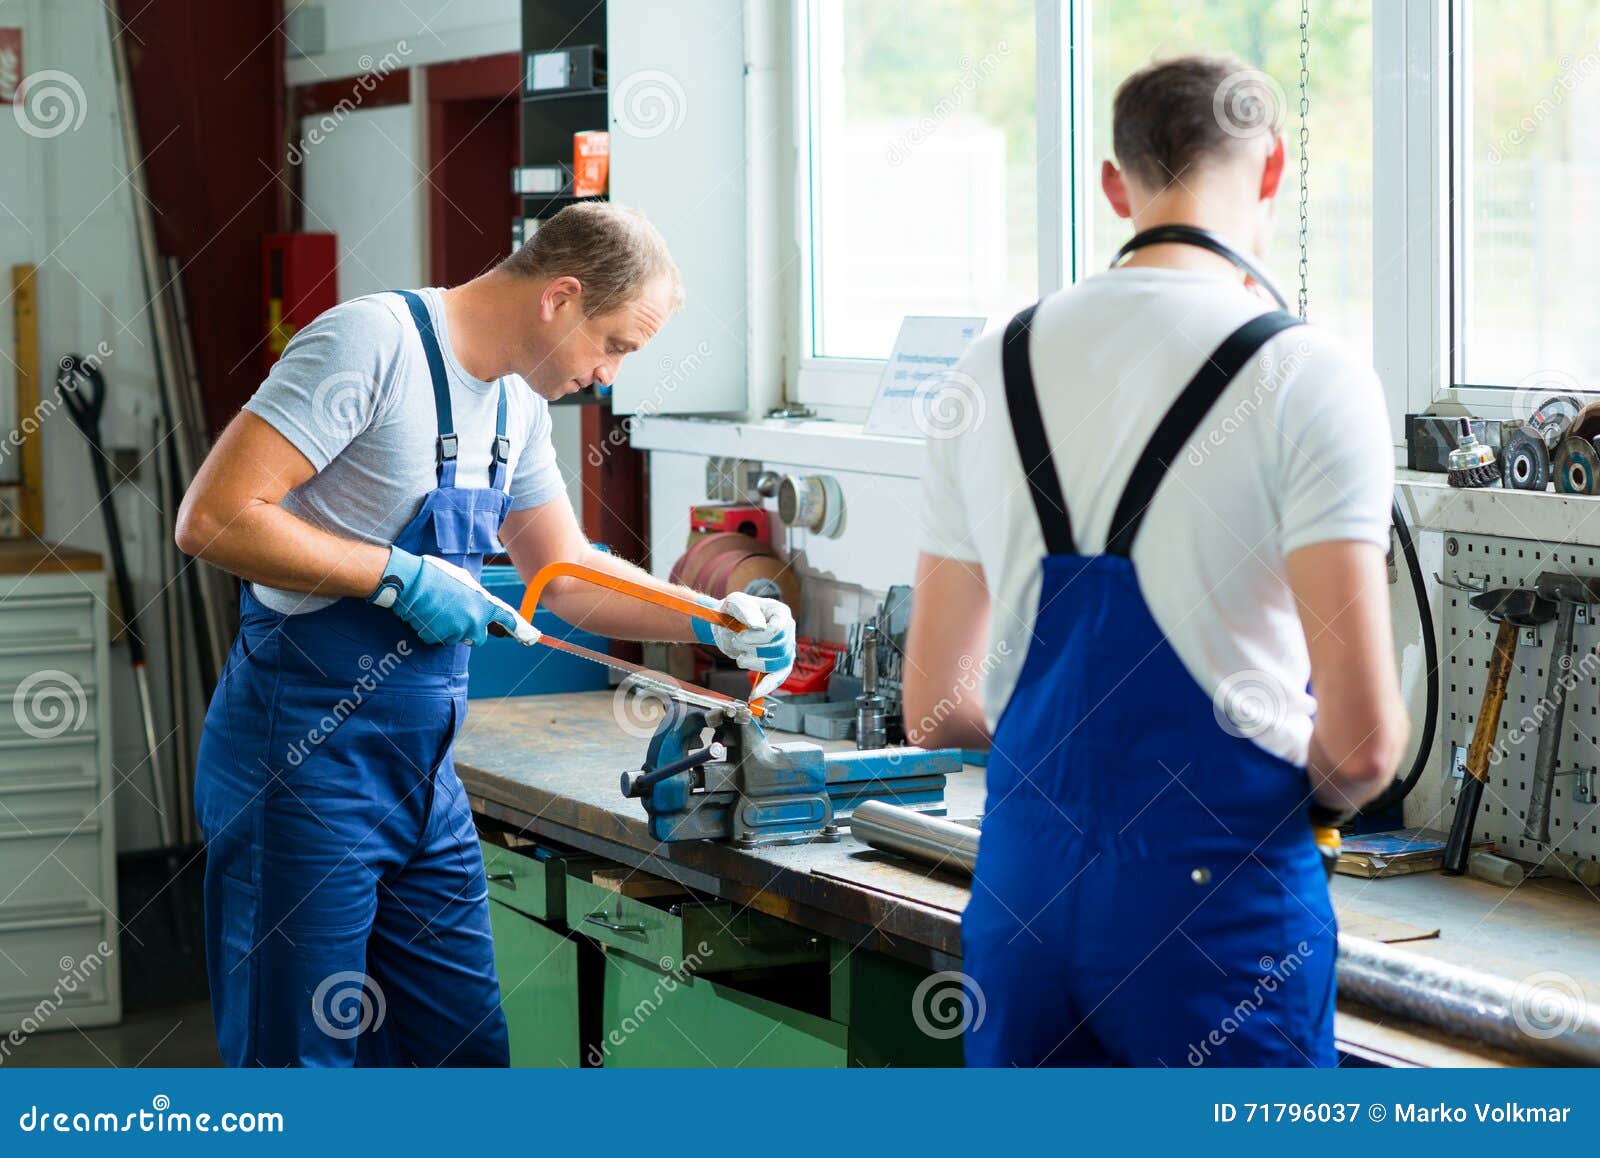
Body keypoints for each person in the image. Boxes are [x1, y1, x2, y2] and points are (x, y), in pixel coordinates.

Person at [176, 202, 795, 1067]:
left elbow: (567, 578)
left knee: (462, 1062)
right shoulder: (372, 344)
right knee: (300, 1067)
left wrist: (718, 620)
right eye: (614, 344)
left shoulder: (516, 407)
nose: (607, 373)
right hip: (303, 768)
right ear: (562, 298)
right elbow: (213, 518)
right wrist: (397, 576)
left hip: (427, 782)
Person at [904, 55, 1409, 1067]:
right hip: (1214, 918)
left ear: (1112, 185)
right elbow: (1360, 752)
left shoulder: (985, 365)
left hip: (1023, 902)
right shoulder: (1308, 373)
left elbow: (936, 708)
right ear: (1271, 174)